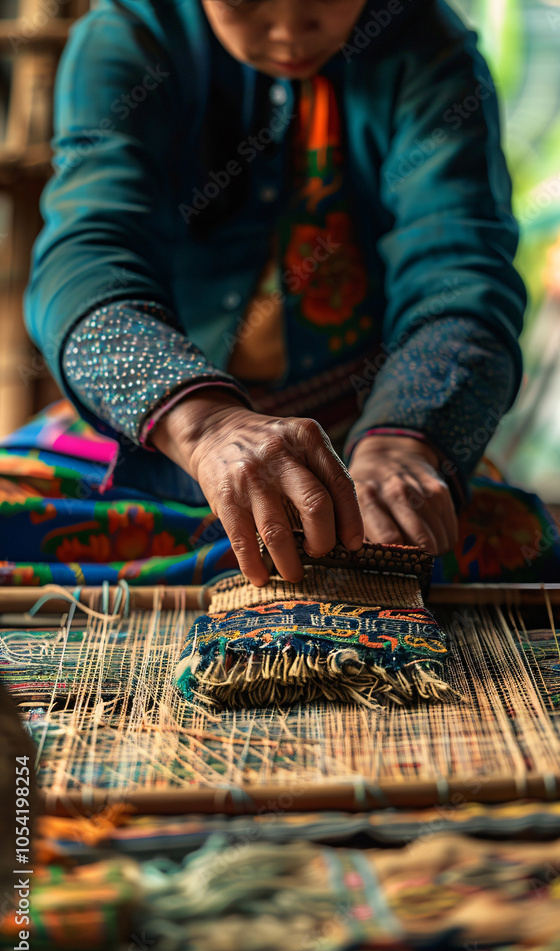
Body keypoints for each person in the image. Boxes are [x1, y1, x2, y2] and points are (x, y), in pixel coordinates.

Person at [24, 0, 526, 588]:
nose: (289, 29)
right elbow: (85, 256)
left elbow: (462, 274)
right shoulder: (129, 36)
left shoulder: (427, 45)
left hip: (367, 439)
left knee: (512, 545)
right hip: (158, 430)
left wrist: (403, 444)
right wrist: (205, 426)